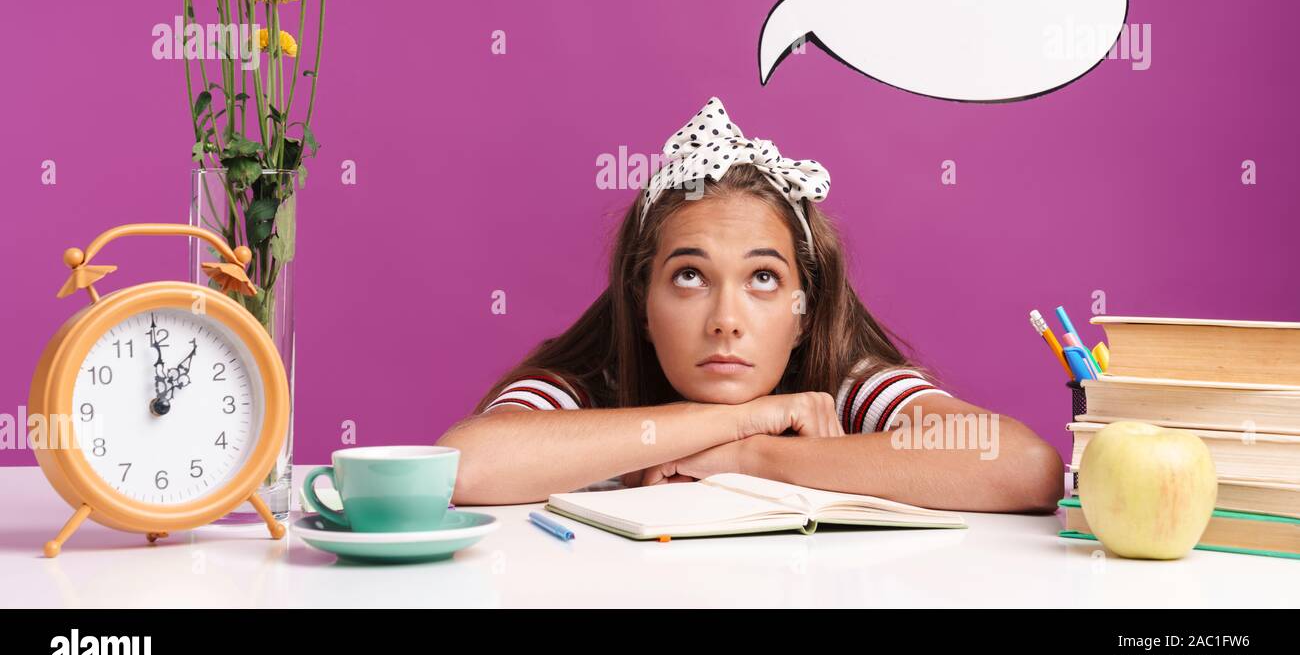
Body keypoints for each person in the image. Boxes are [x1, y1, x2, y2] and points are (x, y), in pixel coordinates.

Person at [438, 96, 1063, 511]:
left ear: (803, 313)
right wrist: (735, 419)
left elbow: (1022, 465)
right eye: (689, 277)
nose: (726, 321)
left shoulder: (840, 383)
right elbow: (464, 466)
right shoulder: (596, 383)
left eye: (763, 279)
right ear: (643, 304)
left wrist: (754, 454)